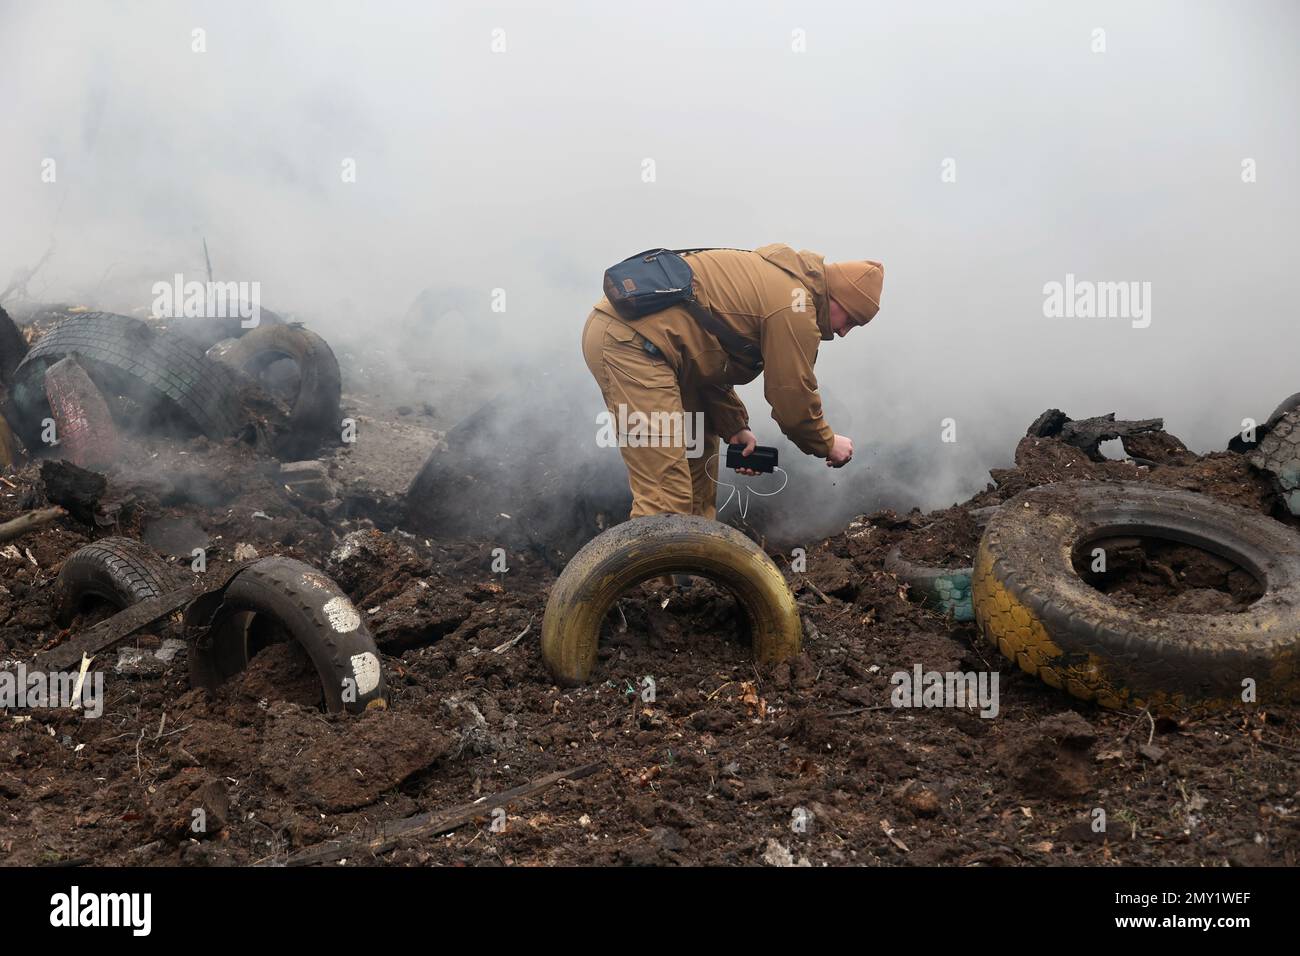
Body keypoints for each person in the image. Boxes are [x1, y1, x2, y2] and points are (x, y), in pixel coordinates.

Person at [582, 244, 884, 519]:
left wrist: (734, 426)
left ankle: (691, 577)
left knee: (697, 469)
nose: (845, 332)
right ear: (837, 297)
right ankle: (643, 576)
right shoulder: (795, 307)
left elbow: (704, 356)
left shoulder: (783, 284)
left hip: (659, 352)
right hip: (631, 346)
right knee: (665, 495)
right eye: (851, 319)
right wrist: (827, 443)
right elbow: (791, 398)